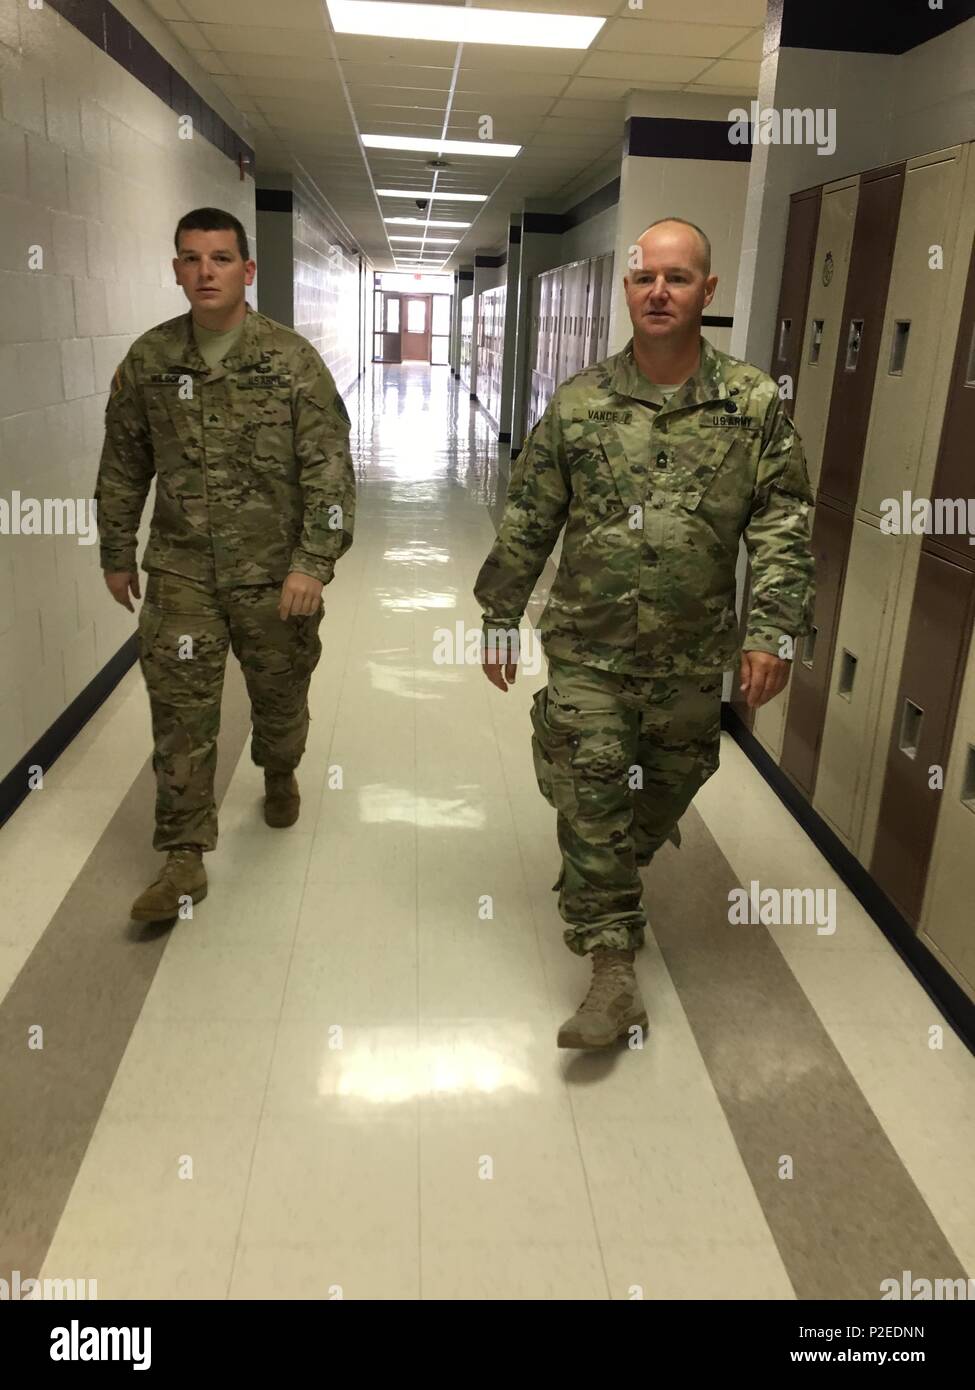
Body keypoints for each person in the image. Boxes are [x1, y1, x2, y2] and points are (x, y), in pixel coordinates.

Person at [474, 217, 815, 1050]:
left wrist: (771, 629)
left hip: (690, 655)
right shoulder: (580, 402)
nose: (657, 292)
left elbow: (782, 522)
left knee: (663, 788)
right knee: (593, 788)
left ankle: (608, 862)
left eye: (676, 277)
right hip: (587, 646)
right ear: (627, 290)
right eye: (643, 278)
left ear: (707, 290)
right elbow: (531, 514)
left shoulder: (751, 405)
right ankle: (610, 969)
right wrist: (499, 614)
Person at [95, 207, 355, 922]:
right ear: (175, 270)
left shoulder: (290, 360)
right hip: (181, 572)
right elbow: (123, 464)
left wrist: (313, 562)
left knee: (281, 697)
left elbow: (330, 471)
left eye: (219, 258)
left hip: (275, 576)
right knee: (180, 713)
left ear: (248, 269)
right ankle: (182, 856)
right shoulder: (149, 361)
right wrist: (116, 550)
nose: (204, 271)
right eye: (191, 258)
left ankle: (280, 768)